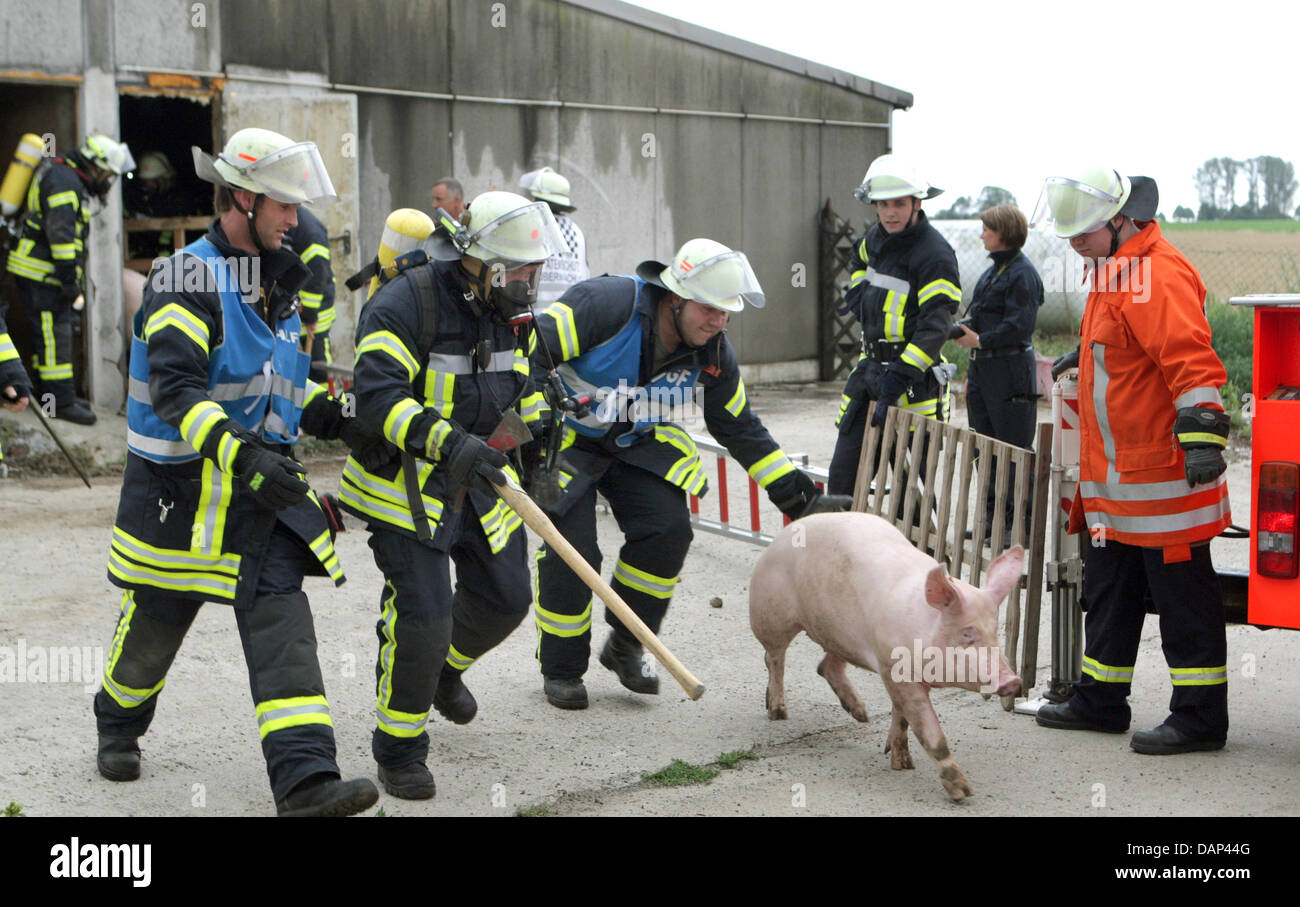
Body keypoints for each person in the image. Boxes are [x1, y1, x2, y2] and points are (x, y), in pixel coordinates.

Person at [92, 127, 380, 816]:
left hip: (253, 496)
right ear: (243, 198)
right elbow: (178, 393)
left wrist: (338, 419)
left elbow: (276, 381)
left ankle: (306, 780)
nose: (296, 219)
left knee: (283, 621)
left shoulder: (277, 279)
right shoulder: (186, 277)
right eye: (284, 204)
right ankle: (117, 720)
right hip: (179, 498)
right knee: (154, 632)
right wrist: (247, 457)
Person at [529, 238, 849, 710]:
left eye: (727, 312)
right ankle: (562, 668)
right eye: (708, 309)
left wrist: (799, 500)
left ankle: (626, 643)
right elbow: (526, 355)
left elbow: (739, 426)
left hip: (635, 445)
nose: (718, 322)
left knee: (668, 530)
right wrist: (533, 433)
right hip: (568, 442)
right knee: (572, 551)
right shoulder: (604, 305)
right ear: (674, 296)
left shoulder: (714, 353)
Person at [337, 191, 563, 799]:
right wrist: (450, 442)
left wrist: (541, 424)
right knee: (424, 617)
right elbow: (378, 393)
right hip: (405, 488)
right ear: (482, 263)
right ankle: (400, 749)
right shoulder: (406, 301)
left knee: (509, 596)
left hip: (482, 481)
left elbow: (524, 387)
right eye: (519, 271)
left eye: (536, 270)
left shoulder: (514, 314)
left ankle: (441, 673)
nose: (529, 282)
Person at [1031, 166, 1231, 755]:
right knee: (1110, 592)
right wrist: (1083, 356)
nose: (1075, 244)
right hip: (1117, 486)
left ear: (1122, 220)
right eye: (1069, 235)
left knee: (1184, 603)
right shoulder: (1115, 271)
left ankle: (1199, 718)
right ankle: (1100, 701)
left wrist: (1202, 435)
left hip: (1164, 481)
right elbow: (1128, 352)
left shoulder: (1156, 273)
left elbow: (1190, 360)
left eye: (1085, 233)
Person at [827, 153, 961, 497]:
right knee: (843, 481)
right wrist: (857, 293)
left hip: (913, 385)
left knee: (910, 495)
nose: (890, 212)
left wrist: (898, 378)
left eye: (899, 204)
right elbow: (858, 260)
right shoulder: (875, 238)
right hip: (869, 374)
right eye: (883, 204)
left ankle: (916, 551)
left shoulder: (935, 254)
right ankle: (840, 547)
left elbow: (935, 327)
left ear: (917, 202)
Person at [5, 134, 136, 425]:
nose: (108, 181)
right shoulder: (64, 181)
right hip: (41, 272)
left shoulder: (66, 176)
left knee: (48, 334)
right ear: (96, 166)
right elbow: (61, 237)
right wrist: (69, 282)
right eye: (108, 174)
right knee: (55, 335)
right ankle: (60, 402)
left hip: (38, 271)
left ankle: (47, 393)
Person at [952, 204, 1044, 538]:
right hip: (984, 372)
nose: (981, 234)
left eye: (986, 229)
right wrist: (959, 329)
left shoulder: (1023, 274)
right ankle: (991, 521)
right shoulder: (992, 272)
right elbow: (980, 314)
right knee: (985, 448)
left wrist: (981, 340)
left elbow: (1021, 325)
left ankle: (1018, 525)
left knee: (1014, 450)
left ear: (1002, 232)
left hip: (1010, 372)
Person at [520, 167, 589, 306]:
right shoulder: (576, 231)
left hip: (535, 321)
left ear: (534, 199)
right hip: (570, 319)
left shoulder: (530, 226)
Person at [283, 205, 336, 383]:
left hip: (314, 312)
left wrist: (309, 316)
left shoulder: (308, 230)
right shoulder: (297, 222)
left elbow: (317, 274)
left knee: (317, 365)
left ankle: (325, 405)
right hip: (299, 308)